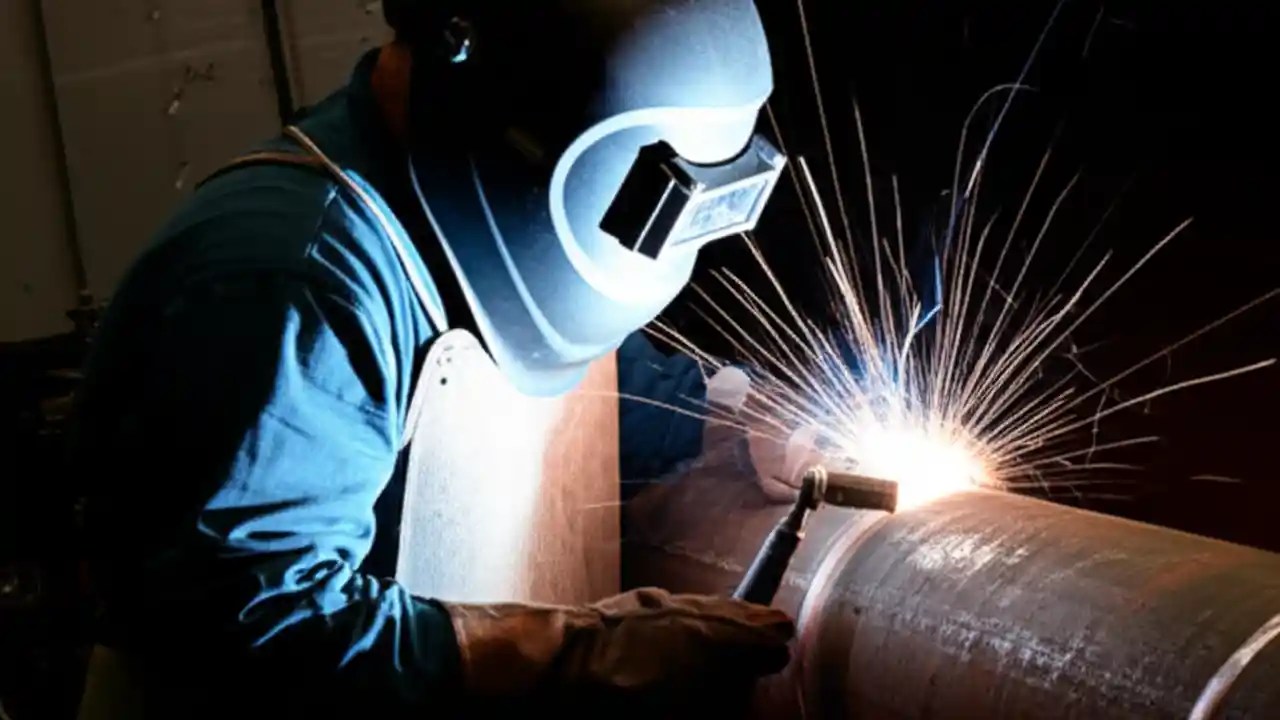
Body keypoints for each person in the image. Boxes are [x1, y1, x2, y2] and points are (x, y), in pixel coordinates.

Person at [70, 1, 795, 717]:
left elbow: (567, 380)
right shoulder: (293, 283)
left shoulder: (465, 225)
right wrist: (579, 652)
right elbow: (256, 626)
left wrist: (735, 417)